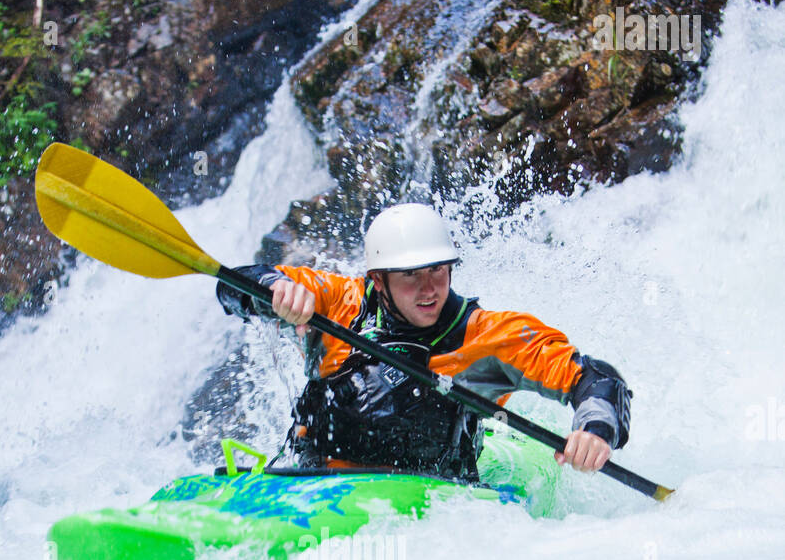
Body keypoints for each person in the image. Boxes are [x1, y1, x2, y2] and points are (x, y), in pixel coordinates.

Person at [216, 203, 631, 482]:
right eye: (410, 276)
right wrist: (275, 291)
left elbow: (596, 379)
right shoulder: (337, 304)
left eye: (437, 270)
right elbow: (233, 284)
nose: (429, 289)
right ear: (378, 280)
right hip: (311, 479)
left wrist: (595, 430)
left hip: (429, 499)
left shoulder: (489, 337)